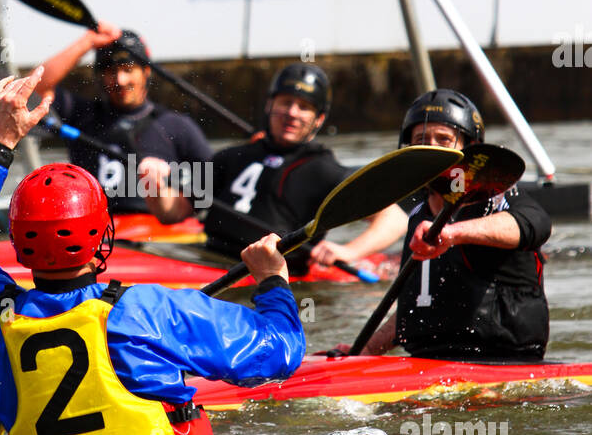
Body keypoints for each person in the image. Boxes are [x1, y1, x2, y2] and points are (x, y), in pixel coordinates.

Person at [0, 67, 305, 435]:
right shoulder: (150, 309)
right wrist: (273, 283)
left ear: (19, 247)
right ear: (103, 236)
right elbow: (281, 352)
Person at [358, 88, 551, 360]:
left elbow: (537, 224)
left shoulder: (498, 199)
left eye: (444, 139)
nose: (433, 148)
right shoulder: (418, 215)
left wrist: (452, 233)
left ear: (469, 149)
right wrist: (365, 352)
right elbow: (417, 309)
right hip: (429, 359)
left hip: (501, 360)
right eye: (422, 139)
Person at [202, 61, 407, 267]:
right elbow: (177, 210)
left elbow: (396, 219)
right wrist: (167, 182)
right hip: (211, 259)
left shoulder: (322, 170)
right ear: (269, 105)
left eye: (304, 107)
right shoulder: (231, 156)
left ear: (319, 119)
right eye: (285, 102)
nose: (292, 113)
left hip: (272, 274)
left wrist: (349, 251)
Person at [33, 25, 213, 221]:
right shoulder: (83, 115)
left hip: (156, 233)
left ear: (145, 71)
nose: (120, 80)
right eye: (111, 72)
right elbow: (33, 89)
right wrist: (86, 43)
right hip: (94, 231)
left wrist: (164, 188)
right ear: (100, 76)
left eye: (128, 70)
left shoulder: (177, 126)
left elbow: (209, 189)